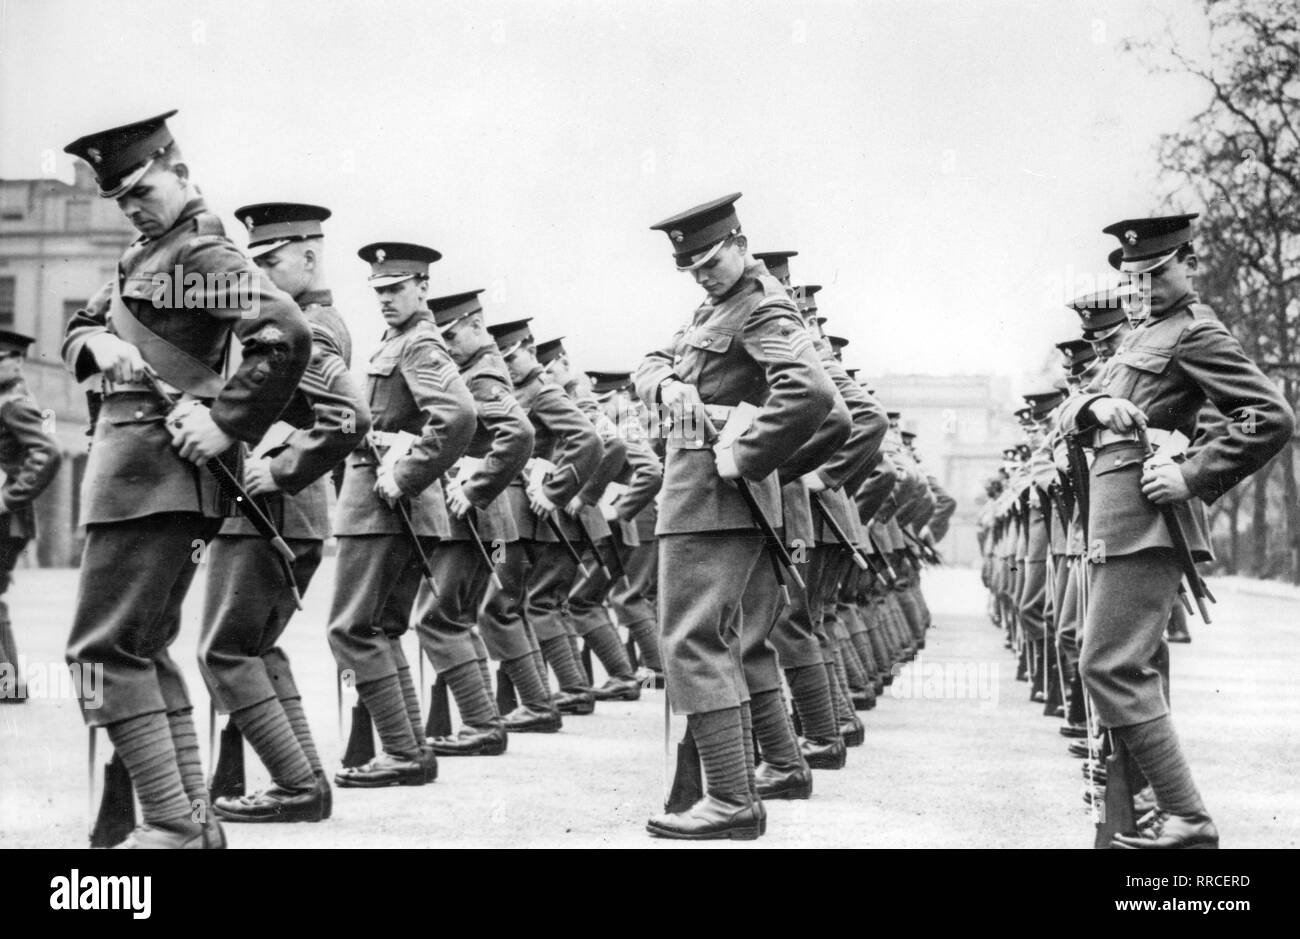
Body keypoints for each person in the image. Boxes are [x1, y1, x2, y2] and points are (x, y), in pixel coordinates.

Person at [62, 111, 312, 847]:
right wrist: (97, 341)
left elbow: (285, 334)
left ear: (177, 169)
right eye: (120, 198)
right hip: (135, 478)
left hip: (157, 478)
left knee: (99, 653)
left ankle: (170, 822)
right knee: (135, 647)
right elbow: (79, 325)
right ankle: (190, 823)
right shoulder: (147, 252)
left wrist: (227, 421)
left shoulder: (200, 255)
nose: (131, 206)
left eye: (140, 189)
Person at [1057, 213, 1294, 848]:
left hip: (1146, 523)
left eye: (1158, 272)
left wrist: (1192, 476)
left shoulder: (1195, 332)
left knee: (1109, 666)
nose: (1145, 286)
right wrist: (1090, 405)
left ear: (1188, 263)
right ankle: (1141, 813)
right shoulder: (1140, 336)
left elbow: (1270, 416)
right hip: (1112, 524)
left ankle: (1186, 815)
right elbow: (1069, 413)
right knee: (1129, 666)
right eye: (1134, 277)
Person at [635, 193, 838, 840]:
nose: (701, 271)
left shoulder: (759, 303)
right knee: (715, 640)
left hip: (715, 501)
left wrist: (747, 457)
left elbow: (816, 397)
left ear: (739, 241)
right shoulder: (713, 307)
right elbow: (651, 361)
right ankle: (734, 788)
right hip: (704, 500)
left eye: (710, 258)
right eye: (690, 265)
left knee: (692, 640)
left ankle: (730, 797)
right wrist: (664, 383)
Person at [199, 202, 370, 822]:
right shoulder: (312, 318)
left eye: (272, 261)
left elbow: (347, 417)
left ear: (308, 256)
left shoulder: (312, 326)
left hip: (268, 510)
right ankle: (301, 783)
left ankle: (298, 786)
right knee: (256, 648)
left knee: (226, 652)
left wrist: (277, 467)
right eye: (257, 265)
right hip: (281, 513)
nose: (264, 275)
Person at [326, 241, 476, 788]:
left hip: (386, 506)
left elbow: (458, 416)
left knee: (350, 630)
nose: (386, 299)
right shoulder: (399, 339)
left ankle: (403, 750)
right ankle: (409, 750)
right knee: (381, 630)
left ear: (422, 287)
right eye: (379, 291)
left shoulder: (418, 344)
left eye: (395, 289)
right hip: (397, 509)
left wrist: (405, 470)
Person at [422, 288, 535, 752]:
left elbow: (518, 433)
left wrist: (475, 485)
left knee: (438, 621)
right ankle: (483, 722)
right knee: (457, 618)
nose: (445, 345)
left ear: (474, 325)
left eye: (451, 334)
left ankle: (483, 724)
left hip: (470, 515)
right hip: (475, 516)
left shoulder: (483, 374)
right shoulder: (474, 370)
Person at [0, 330, 62, 704]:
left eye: (13, 358)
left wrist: (9, 498)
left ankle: (7, 683)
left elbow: (47, 453)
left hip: (6, 520)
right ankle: (8, 682)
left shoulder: (13, 405)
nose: (15, 364)